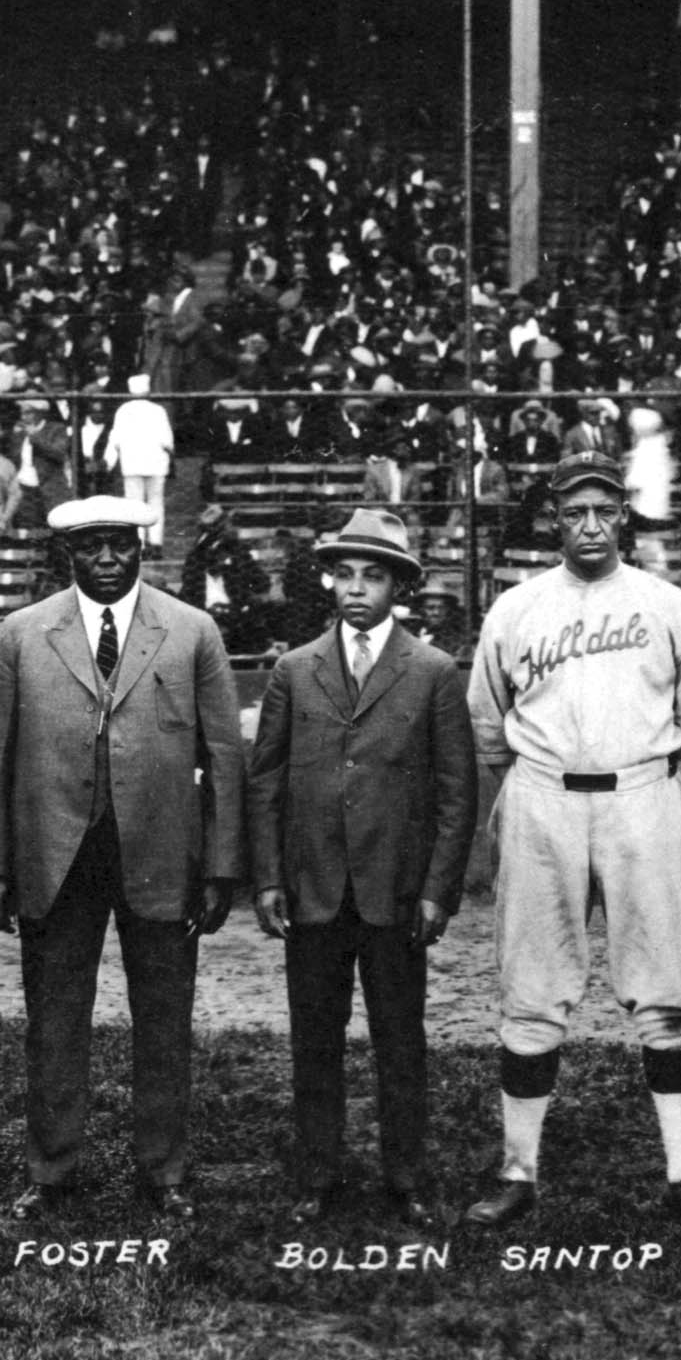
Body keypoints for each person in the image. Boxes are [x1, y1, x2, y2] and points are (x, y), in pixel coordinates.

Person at [0, 492, 245, 1216]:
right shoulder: (24, 632)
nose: (106, 559)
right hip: (55, 854)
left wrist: (222, 867)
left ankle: (164, 1171)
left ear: (141, 547)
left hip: (161, 854)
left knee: (165, 1019)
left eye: (120, 543)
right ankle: (51, 1170)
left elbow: (224, 755)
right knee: (54, 1019)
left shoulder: (191, 630)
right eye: (90, 545)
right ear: (67, 553)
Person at [468, 465, 681, 1226]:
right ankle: (517, 1171)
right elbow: (488, 723)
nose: (589, 525)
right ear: (553, 518)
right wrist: (540, 785)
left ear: (623, 518)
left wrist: (643, 785)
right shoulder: (516, 607)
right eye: (574, 511)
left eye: (603, 511)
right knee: (531, 987)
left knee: (666, 989)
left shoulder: (668, 606)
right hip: (542, 797)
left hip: (643, 796)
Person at [234, 511, 478, 1226]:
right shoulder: (294, 668)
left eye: (372, 576)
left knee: (400, 1039)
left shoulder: (432, 671)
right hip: (312, 887)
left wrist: (437, 891)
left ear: (400, 587)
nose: (356, 589)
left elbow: (455, 793)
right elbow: (265, 782)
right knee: (315, 1038)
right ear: (327, 581)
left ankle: (407, 1176)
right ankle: (318, 1173)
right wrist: (268, 878)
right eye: (343, 574)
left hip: (395, 892)